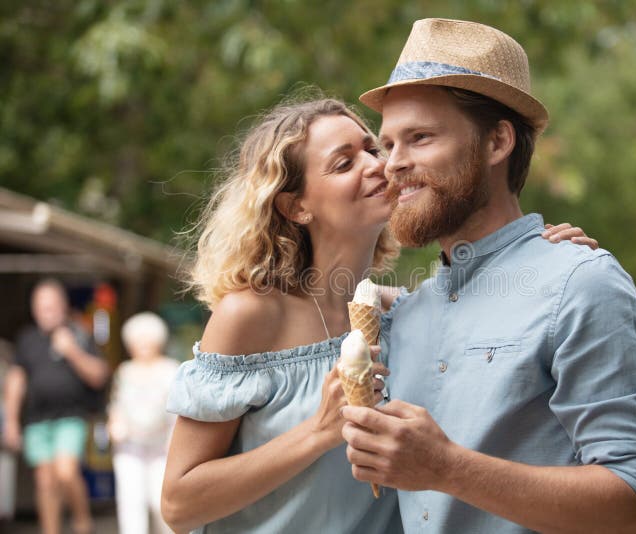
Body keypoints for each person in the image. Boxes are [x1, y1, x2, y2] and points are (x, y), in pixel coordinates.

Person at [161, 94, 593, 533]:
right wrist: (318, 431)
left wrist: (542, 254)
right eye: (343, 163)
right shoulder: (250, 316)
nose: (378, 165)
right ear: (296, 206)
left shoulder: (406, 314)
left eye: (371, 149)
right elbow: (178, 504)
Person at [340, 18, 636, 533]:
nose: (392, 164)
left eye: (420, 138)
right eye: (388, 144)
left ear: (498, 142)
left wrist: (448, 468)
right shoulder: (405, 314)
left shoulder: (582, 284)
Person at [2, 279, 109, 534]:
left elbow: (100, 375)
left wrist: (71, 351)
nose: (45, 312)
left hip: (71, 416)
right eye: (41, 307)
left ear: (62, 307)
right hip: (37, 419)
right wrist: (11, 421)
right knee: (45, 481)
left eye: (50, 307)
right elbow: (16, 381)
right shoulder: (27, 339)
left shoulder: (80, 334)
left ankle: (83, 520)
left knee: (66, 471)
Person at [108, 312, 179, 534]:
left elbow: (178, 411)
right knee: (130, 505)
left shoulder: (171, 369)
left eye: (148, 339)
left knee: (162, 505)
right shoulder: (124, 371)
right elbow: (116, 405)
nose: (143, 345)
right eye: (138, 340)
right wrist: (114, 425)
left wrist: (175, 442)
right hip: (129, 448)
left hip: (162, 450)